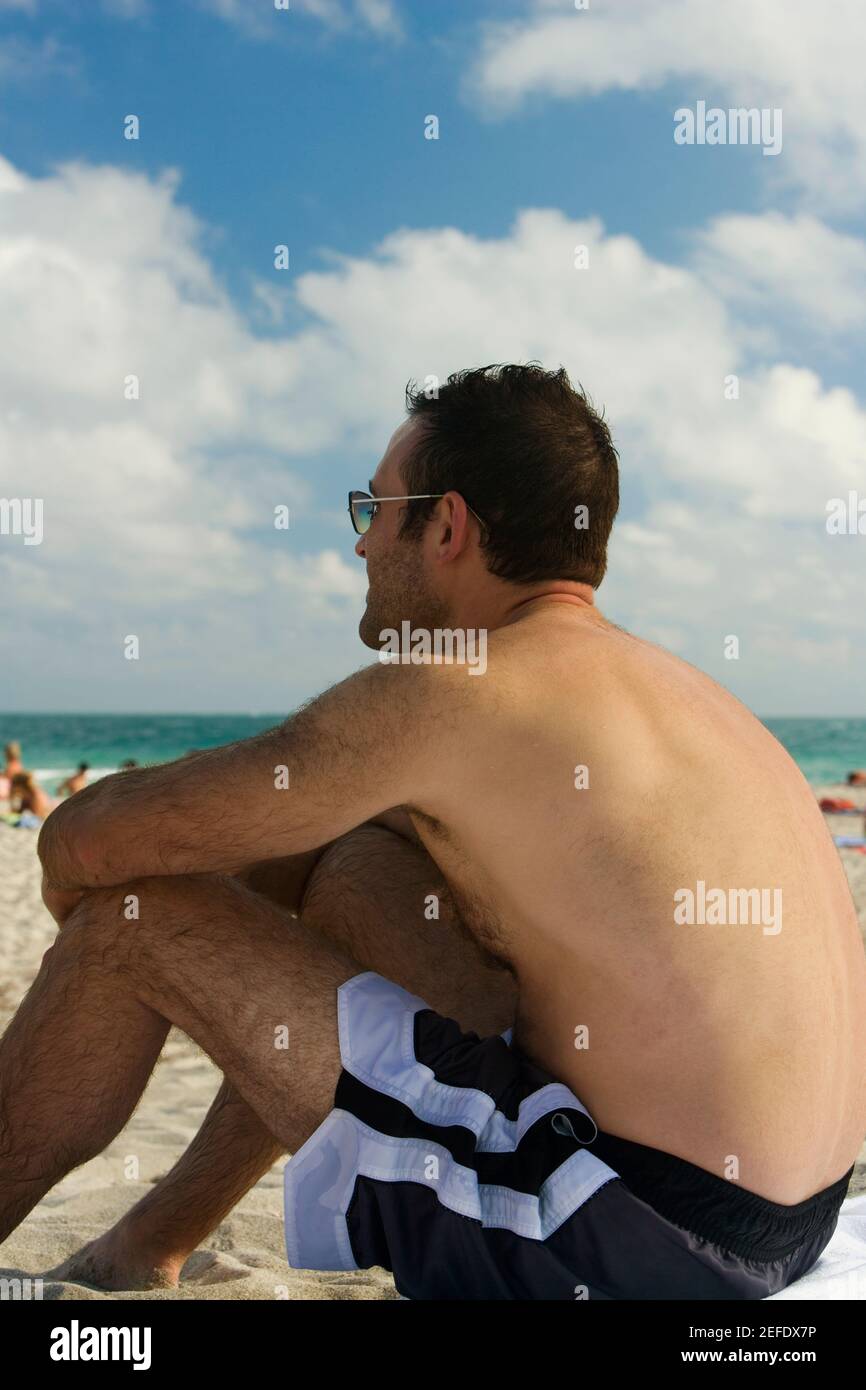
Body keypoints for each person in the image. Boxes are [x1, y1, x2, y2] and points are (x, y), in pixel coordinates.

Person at [1, 363, 864, 1301]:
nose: (362, 544)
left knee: (134, 923)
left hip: (627, 1239)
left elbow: (81, 843)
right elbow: (311, 849)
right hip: (785, 1220)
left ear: (446, 525)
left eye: (373, 509)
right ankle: (148, 1245)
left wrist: (110, 920)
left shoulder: (453, 690)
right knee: (368, 871)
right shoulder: (684, 699)